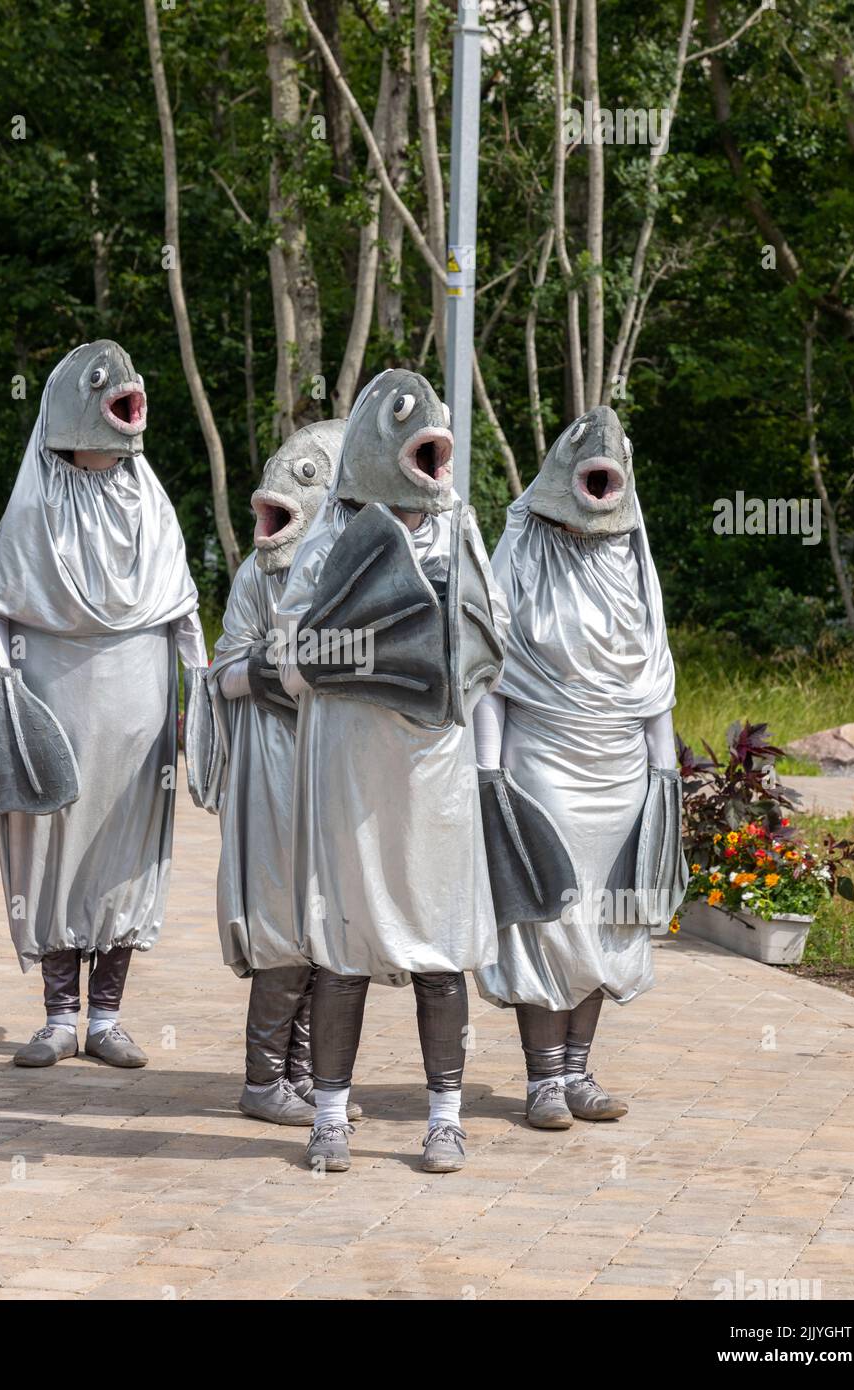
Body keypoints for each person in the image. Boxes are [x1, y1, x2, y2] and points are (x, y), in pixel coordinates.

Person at [0, 340, 207, 1068]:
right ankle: (59, 1015)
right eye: (109, 392)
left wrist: (203, 682)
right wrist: (1, 684)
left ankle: (106, 1017)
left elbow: (182, 604)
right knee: (51, 845)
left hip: (141, 711)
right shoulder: (36, 502)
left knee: (125, 849)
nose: (128, 398)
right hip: (52, 704)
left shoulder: (148, 499)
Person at [274, 369, 513, 1175]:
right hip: (351, 768)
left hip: (435, 775)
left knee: (439, 945)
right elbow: (294, 657)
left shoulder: (459, 529)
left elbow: (490, 642)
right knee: (346, 941)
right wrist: (362, 648)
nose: (434, 456)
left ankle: (445, 1120)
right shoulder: (330, 534)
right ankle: (331, 1118)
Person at [472, 404, 686, 1129]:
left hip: (620, 772)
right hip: (544, 765)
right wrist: (490, 775)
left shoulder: (632, 556)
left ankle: (578, 1073)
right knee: (549, 917)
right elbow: (490, 669)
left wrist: (665, 775)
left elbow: (654, 668)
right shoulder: (522, 547)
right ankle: (541, 1084)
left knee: (604, 918)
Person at [206, 420, 365, 1125]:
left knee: (329, 921)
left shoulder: (351, 570)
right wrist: (280, 671)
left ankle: (304, 1076)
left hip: (337, 766)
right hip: (274, 766)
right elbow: (224, 671)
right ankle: (263, 1080)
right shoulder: (255, 577)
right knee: (282, 915)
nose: (271, 510)